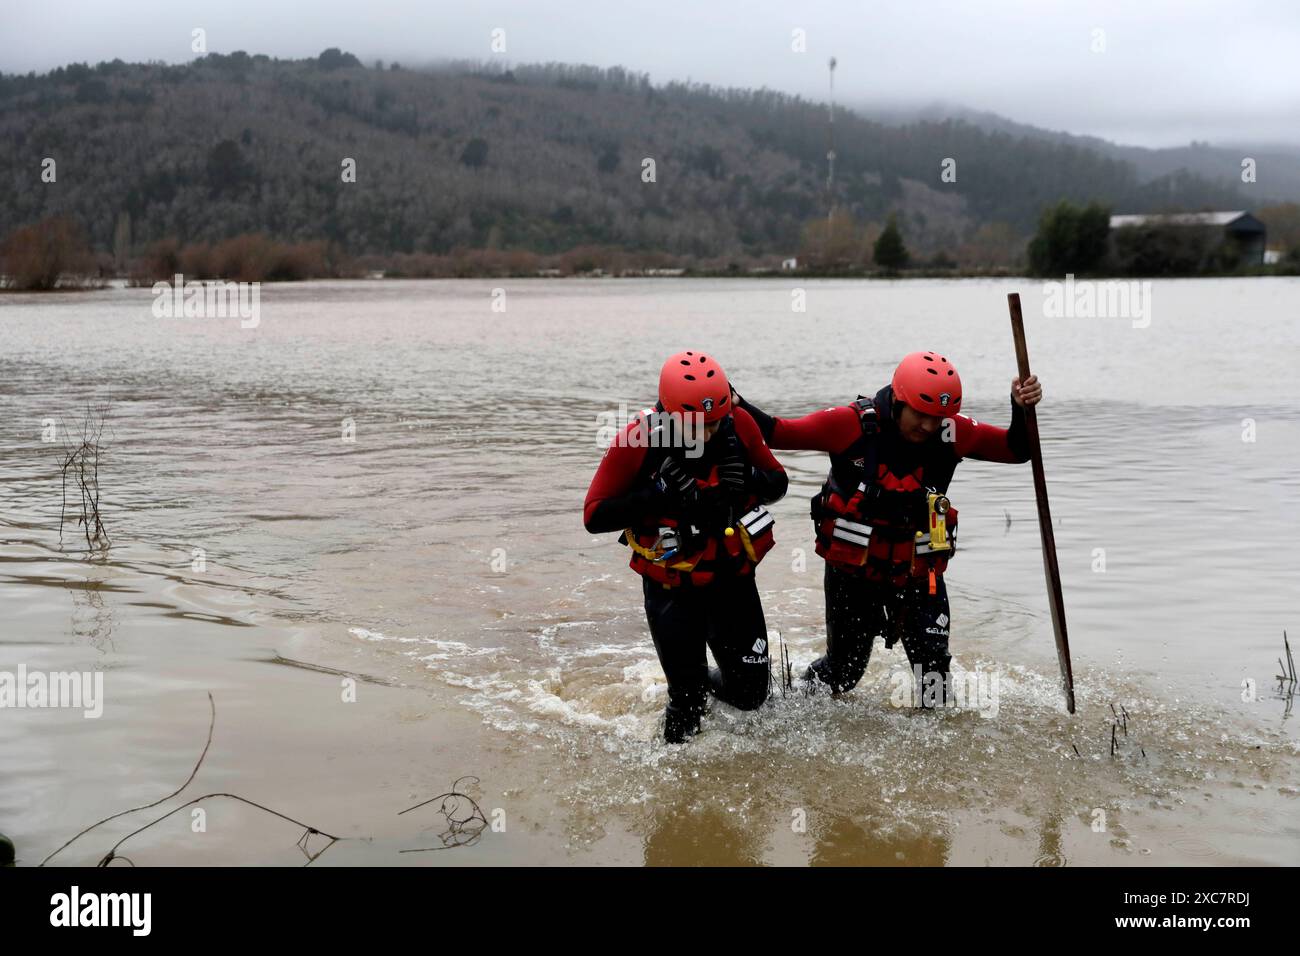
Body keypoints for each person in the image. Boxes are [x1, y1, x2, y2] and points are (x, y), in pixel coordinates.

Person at [735, 351, 1042, 706]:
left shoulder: (953, 431)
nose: (929, 426)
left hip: (917, 573)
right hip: (853, 573)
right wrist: (737, 402)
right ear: (898, 400)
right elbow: (777, 432)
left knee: (935, 679)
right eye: (921, 414)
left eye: (939, 417)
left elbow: (1016, 449)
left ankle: (936, 754)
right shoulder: (850, 425)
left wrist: (1019, 407)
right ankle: (783, 703)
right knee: (844, 672)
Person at [584, 351, 789, 743]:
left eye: (715, 422)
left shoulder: (739, 423)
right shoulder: (637, 439)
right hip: (670, 589)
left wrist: (747, 476)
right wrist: (658, 493)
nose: (709, 432)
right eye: (698, 424)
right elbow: (594, 516)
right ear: (669, 412)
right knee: (687, 700)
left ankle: (710, 683)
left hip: (732, 581)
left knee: (751, 695)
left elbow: (778, 484)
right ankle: (673, 777)